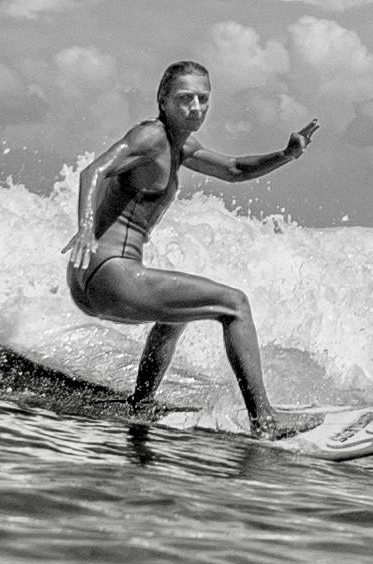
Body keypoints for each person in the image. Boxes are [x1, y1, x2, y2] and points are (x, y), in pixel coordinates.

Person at [65, 60, 319, 435]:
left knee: (177, 312)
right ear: (163, 100)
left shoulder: (179, 145)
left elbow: (233, 169)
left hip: (95, 279)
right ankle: (264, 419)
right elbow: (94, 171)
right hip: (107, 272)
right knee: (235, 304)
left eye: (203, 98)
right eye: (185, 99)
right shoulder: (149, 136)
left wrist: (285, 154)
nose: (196, 108)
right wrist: (86, 228)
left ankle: (140, 404)